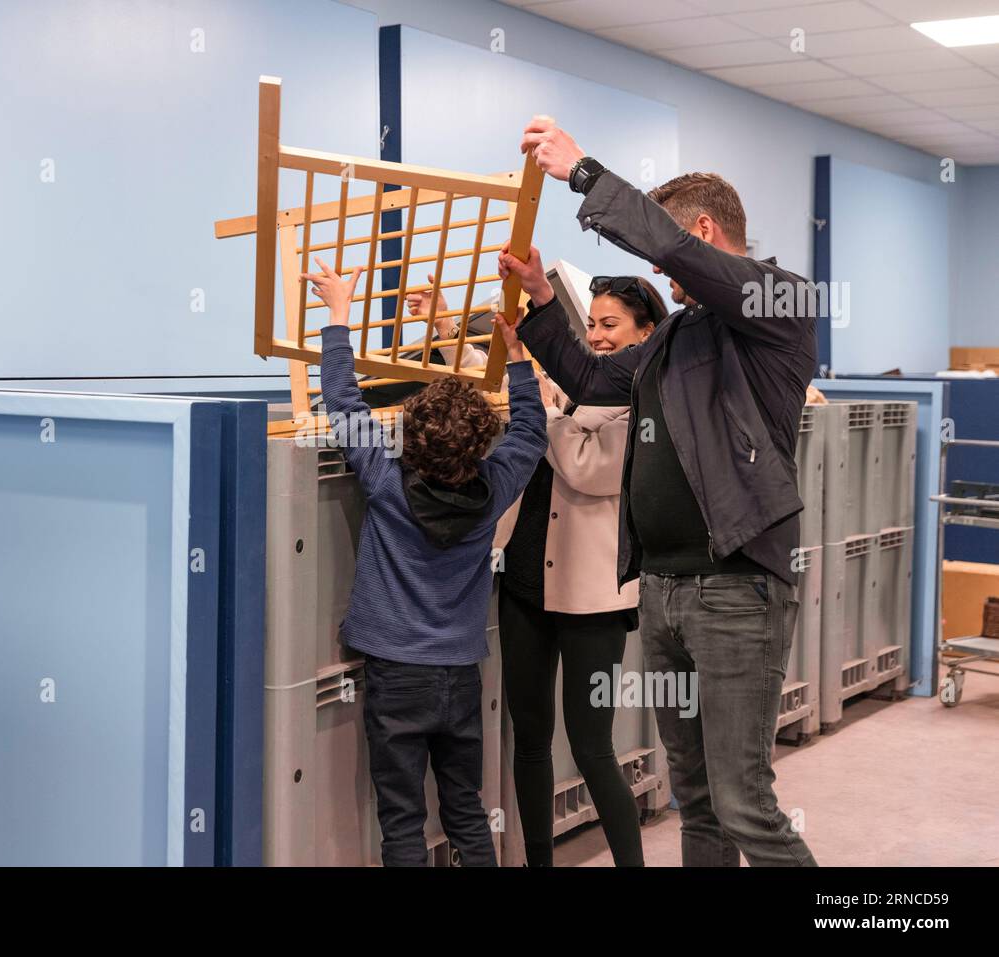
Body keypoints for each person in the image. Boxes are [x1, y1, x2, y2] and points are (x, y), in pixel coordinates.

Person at [500, 116, 819, 867]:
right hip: (666, 589)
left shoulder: (780, 303)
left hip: (736, 589)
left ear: (707, 229)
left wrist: (584, 174)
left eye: (674, 252)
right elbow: (588, 380)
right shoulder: (677, 337)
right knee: (697, 801)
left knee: (746, 804)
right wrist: (545, 301)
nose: (666, 276)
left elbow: (673, 251)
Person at [304, 256, 547, 867]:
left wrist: (338, 312)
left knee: (402, 815)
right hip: (459, 672)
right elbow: (530, 432)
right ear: (480, 443)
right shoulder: (494, 489)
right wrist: (516, 354)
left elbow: (342, 403)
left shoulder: (386, 484)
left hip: (395, 674)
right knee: (466, 806)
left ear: (408, 437)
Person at [494, 275, 668, 868]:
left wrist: (543, 414)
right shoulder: (575, 392)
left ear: (646, 335)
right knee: (530, 738)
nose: (596, 336)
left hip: (593, 598)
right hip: (523, 584)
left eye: (610, 324)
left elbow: (589, 470)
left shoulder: (645, 401)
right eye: (590, 323)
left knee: (592, 747)